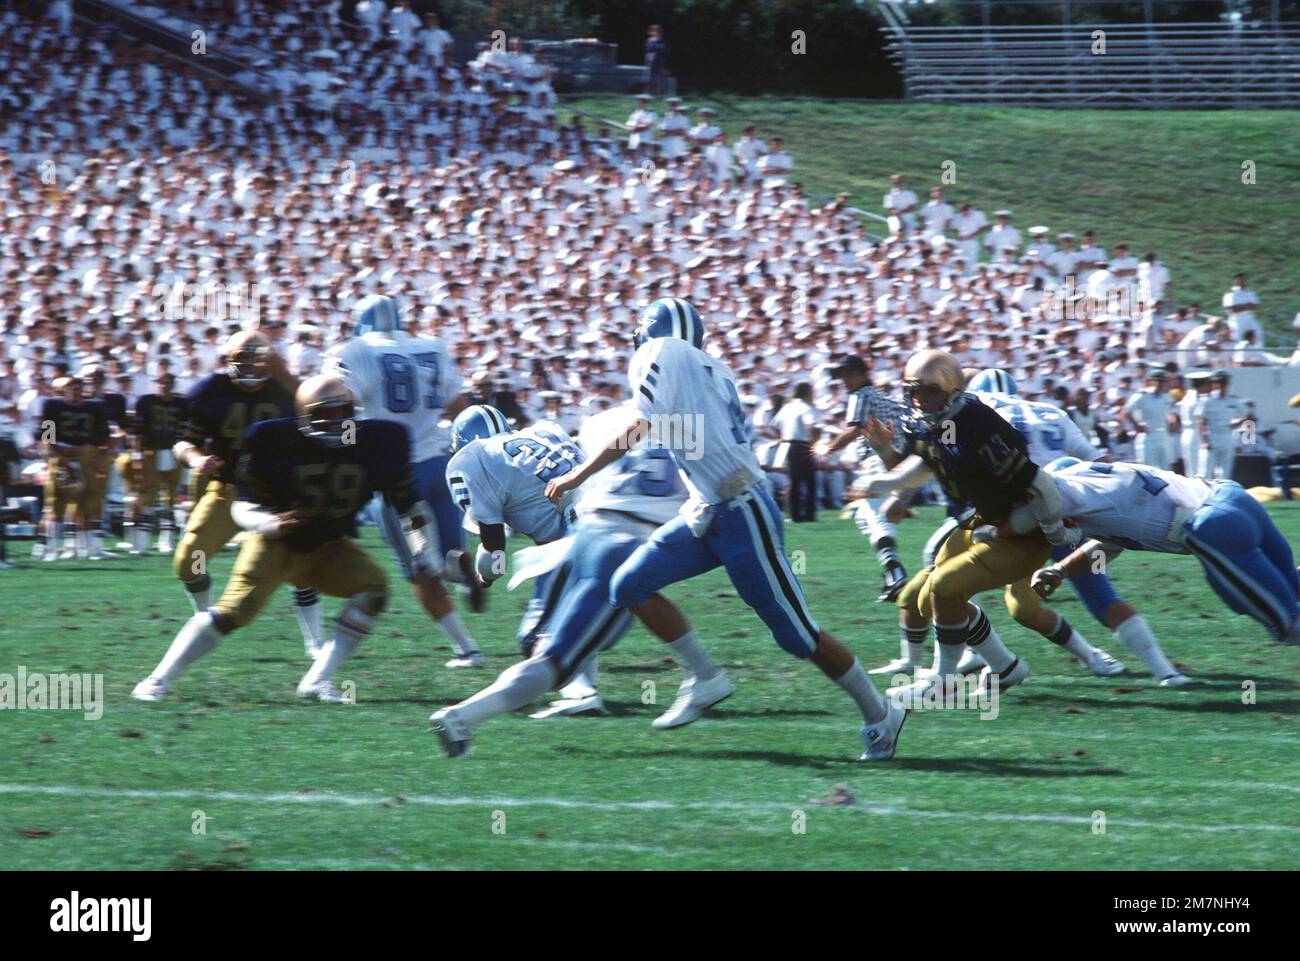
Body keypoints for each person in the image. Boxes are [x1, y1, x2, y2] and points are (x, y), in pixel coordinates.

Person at [544, 298, 907, 761]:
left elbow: (642, 423)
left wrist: (579, 475)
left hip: (741, 509)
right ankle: (706, 677)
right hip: (709, 507)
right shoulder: (710, 367)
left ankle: (880, 713)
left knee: (795, 633)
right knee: (629, 584)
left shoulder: (662, 352)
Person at [429, 404, 732, 756]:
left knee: (538, 640)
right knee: (581, 617)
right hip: (609, 522)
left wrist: (480, 578)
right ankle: (689, 676)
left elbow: (494, 550)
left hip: (583, 537)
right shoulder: (545, 430)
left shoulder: (470, 458)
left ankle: (577, 696)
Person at [134, 376, 435, 702]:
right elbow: (242, 505)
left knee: (374, 590)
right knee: (234, 611)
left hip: (328, 547)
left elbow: (411, 508)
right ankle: (156, 680)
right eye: (326, 414)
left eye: (343, 412)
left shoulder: (379, 440)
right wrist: (268, 524)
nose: (337, 423)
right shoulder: (272, 439)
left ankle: (318, 680)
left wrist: (425, 553)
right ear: (305, 416)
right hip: (277, 543)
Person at [323, 294, 482, 668]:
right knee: (445, 557)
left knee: (421, 572)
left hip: (399, 475)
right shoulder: (432, 346)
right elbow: (460, 406)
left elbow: (336, 402)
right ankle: (458, 568)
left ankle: (467, 649)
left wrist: (343, 443)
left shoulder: (355, 350)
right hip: (442, 462)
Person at [1027, 459, 1300, 646]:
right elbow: (1106, 545)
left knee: (1285, 623)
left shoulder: (1078, 495)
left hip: (1212, 527)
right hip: (1231, 495)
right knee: (1291, 587)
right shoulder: (1106, 478)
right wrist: (1060, 570)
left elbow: (1057, 510)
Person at [821, 354, 912, 602]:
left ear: (863, 374)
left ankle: (896, 574)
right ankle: (892, 573)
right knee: (865, 517)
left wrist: (826, 449)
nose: (846, 381)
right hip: (892, 460)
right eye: (843, 376)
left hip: (878, 460)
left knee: (875, 517)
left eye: (850, 374)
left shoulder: (860, 395)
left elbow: (854, 428)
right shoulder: (877, 396)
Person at [772, 381, 818, 522]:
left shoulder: (787, 407)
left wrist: (784, 435)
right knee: (810, 482)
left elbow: (775, 424)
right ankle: (809, 514)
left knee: (794, 482)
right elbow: (812, 426)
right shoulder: (806, 407)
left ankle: (795, 515)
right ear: (807, 392)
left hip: (789, 444)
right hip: (804, 445)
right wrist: (816, 441)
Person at [643, 24, 669, 96]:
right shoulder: (648, 40)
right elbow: (648, 49)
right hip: (650, 61)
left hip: (659, 62)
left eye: (657, 31)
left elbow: (663, 51)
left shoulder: (661, 41)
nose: (654, 32)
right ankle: (648, 93)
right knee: (648, 77)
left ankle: (658, 93)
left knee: (658, 78)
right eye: (653, 31)